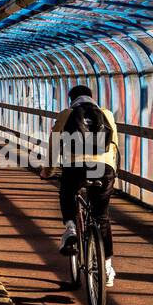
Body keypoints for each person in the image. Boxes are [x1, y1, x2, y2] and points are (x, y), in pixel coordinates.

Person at [40, 83, 118, 287]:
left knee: (67, 192)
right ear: (92, 98)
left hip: (75, 167)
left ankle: (71, 228)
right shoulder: (107, 114)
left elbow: (54, 144)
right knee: (101, 216)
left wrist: (47, 171)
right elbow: (115, 146)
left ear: (71, 99)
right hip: (104, 168)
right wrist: (112, 172)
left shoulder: (66, 114)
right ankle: (107, 266)